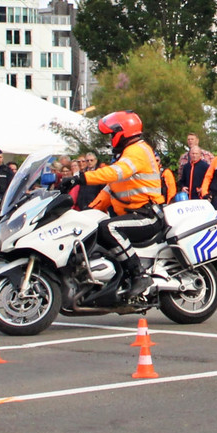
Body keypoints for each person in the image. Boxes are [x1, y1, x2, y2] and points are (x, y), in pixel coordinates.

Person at [60, 111, 165, 300]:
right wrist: (86, 213)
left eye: (112, 134)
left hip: (147, 215)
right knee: (92, 226)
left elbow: (114, 173)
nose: (110, 139)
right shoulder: (126, 154)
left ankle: (138, 275)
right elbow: (110, 191)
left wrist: (80, 178)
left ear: (122, 132)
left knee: (108, 228)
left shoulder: (137, 151)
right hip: (134, 214)